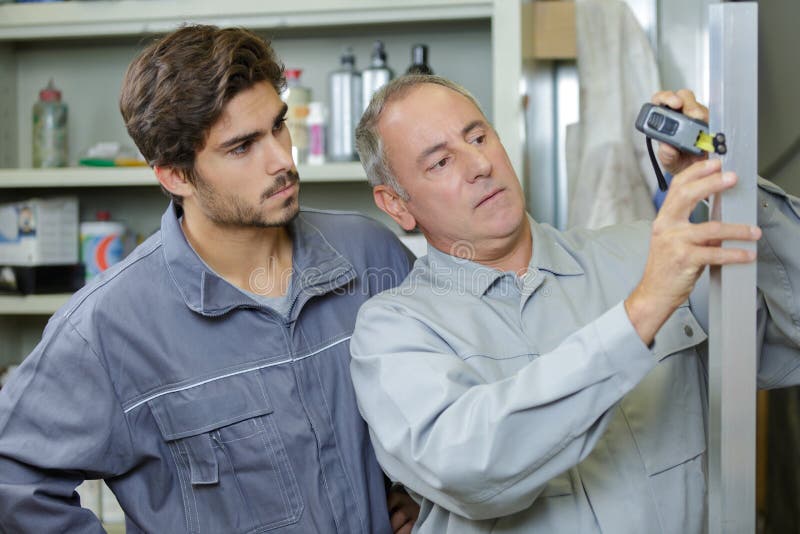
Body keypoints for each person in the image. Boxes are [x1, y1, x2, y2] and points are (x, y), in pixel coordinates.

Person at [0, 26, 419, 533]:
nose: (282, 159)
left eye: (278, 126)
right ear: (175, 175)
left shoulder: (370, 256)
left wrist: (418, 493)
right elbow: (12, 478)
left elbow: (441, 410)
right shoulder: (106, 329)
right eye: (242, 146)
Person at [349, 74, 800, 533]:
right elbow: (466, 468)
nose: (480, 164)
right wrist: (641, 313)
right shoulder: (393, 330)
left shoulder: (652, 252)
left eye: (479, 138)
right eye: (441, 162)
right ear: (396, 205)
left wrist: (726, 184)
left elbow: (792, 328)